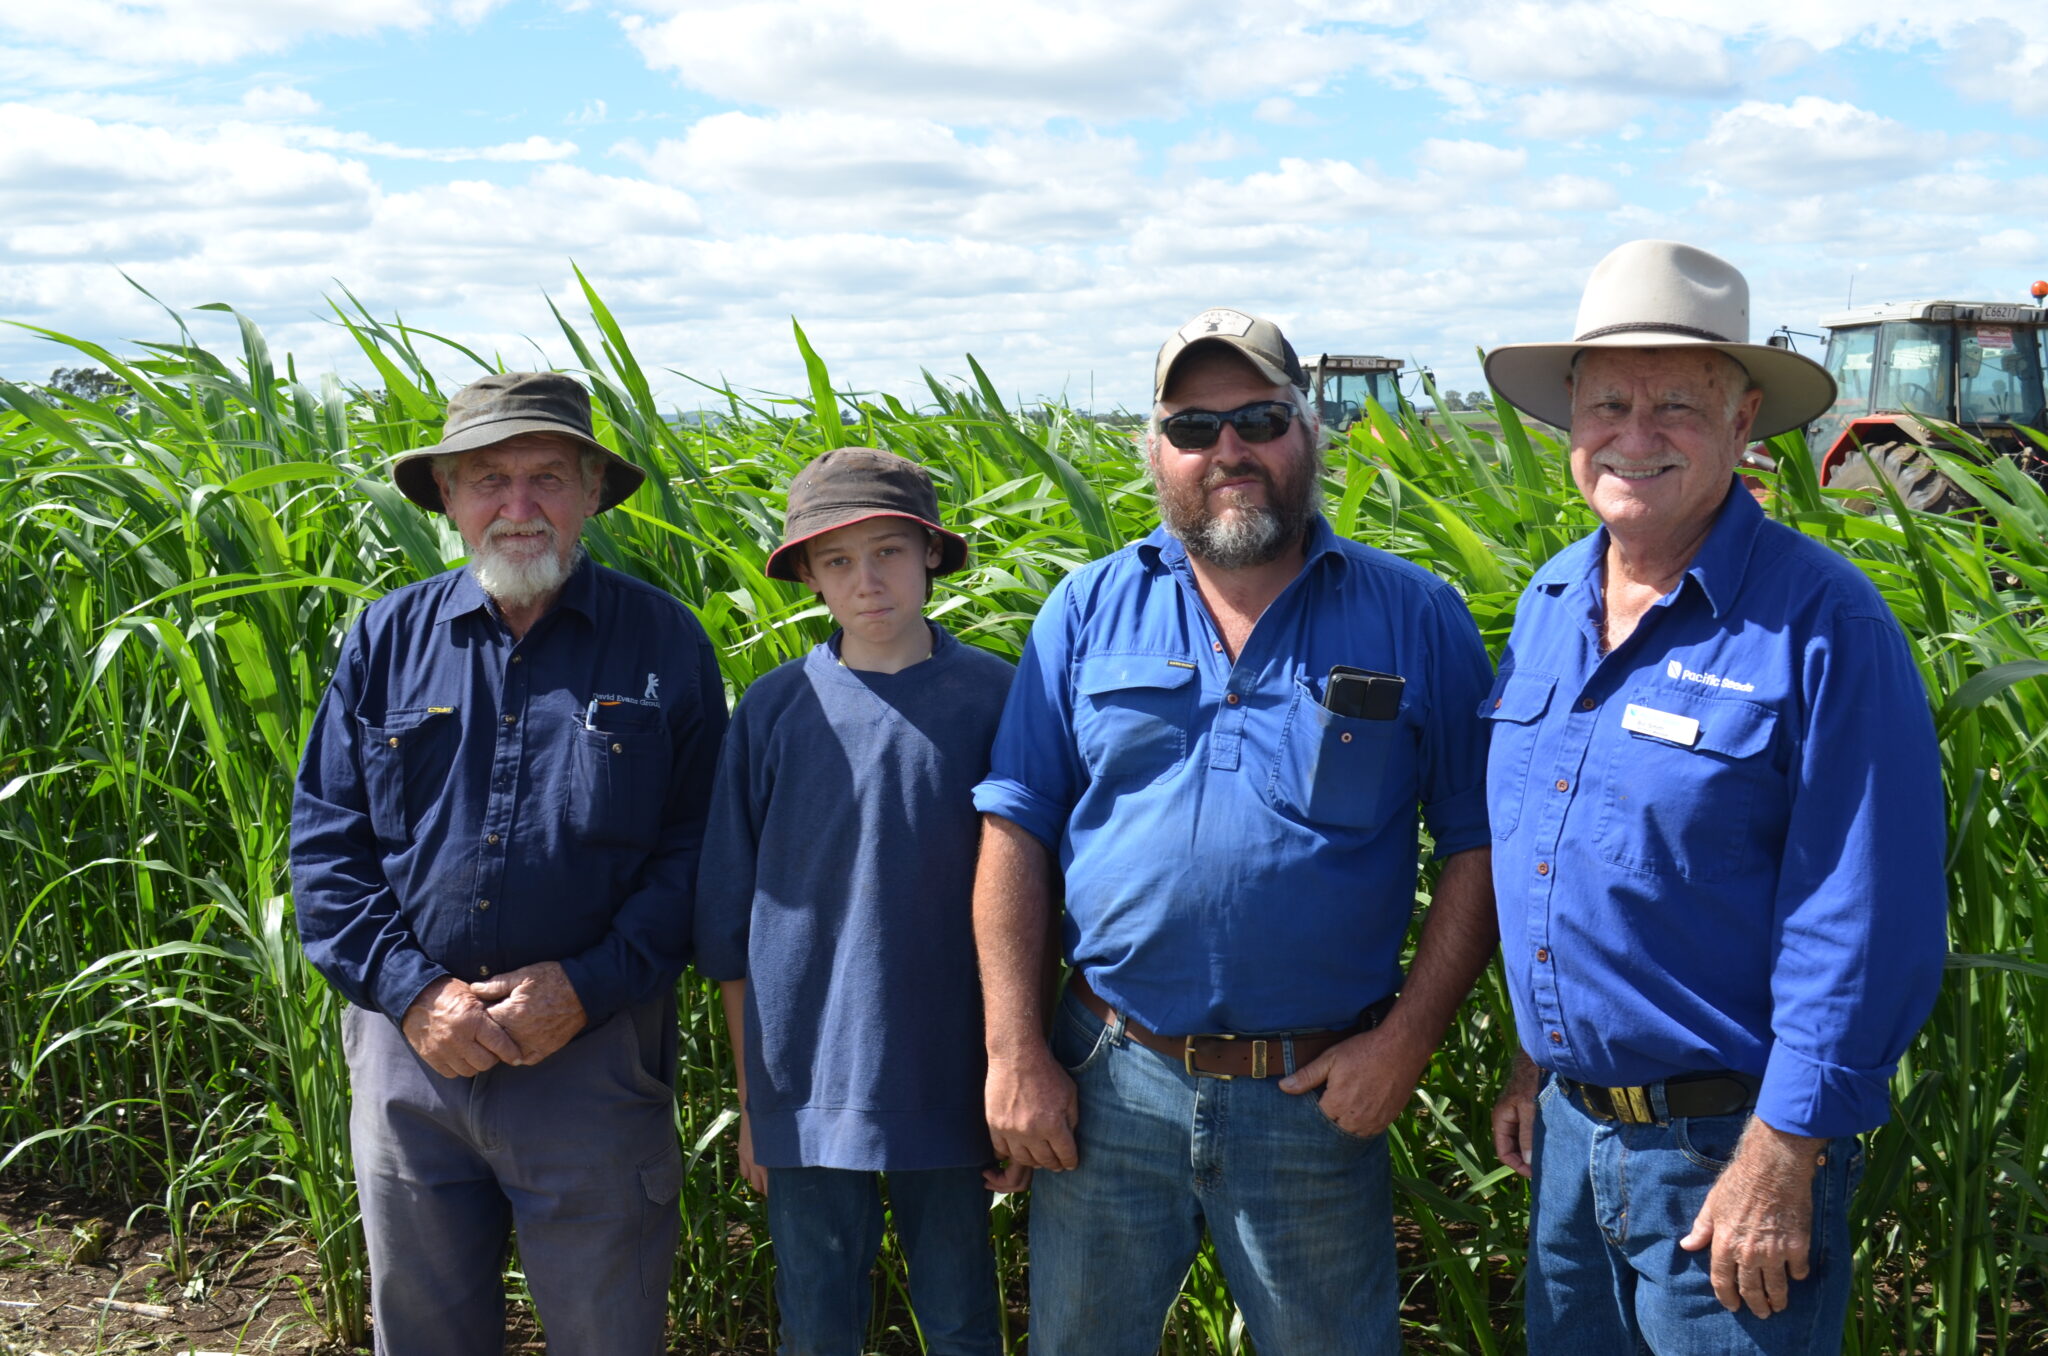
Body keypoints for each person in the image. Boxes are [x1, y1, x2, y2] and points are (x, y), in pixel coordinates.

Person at [972, 308, 1497, 1354]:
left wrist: (1405, 1042)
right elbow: (1016, 832)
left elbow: (1477, 846)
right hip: (1109, 1077)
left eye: (1257, 419)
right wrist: (1015, 1050)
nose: (1227, 452)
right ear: (1153, 450)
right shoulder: (1084, 610)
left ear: (1308, 431)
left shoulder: (1413, 613)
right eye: (1191, 428)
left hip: (1312, 1095)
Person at [1480, 240, 1948, 1354]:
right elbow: (1547, 852)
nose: (1632, 437)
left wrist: (1782, 1154)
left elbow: (1864, 914)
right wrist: (1531, 1059)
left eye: (1674, 407)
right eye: (1606, 404)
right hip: (1565, 1140)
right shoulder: (1551, 599)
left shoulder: (1821, 624)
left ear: (1743, 424)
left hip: (1726, 1158)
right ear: (1567, 421)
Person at [290, 371, 727, 1355]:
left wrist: (582, 986)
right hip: (411, 1065)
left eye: (545, 479)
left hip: (594, 1058)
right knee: (425, 1332)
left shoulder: (664, 642)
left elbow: (696, 852)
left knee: (605, 1334)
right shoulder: (385, 640)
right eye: (488, 479)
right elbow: (326, 845)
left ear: (588, 495)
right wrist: (413, 995)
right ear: (446, 495)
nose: (517, 507)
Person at [694, 447, 1021, 1356]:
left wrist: (1016, 1072)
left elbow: (1038, 912)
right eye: (837, 561)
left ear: (931, 556)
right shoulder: (772, 710)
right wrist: (757, 1103)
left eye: (887, 552)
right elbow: (730, 929)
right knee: (817, 1321)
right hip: (804, 1088)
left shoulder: (998, 699)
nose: (865, 580)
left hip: (951, 1080)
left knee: (961, 1319)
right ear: (807, 576)